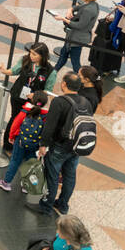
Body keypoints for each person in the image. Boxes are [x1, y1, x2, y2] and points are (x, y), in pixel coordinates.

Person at [33, 72, 88, 217]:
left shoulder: (59, 102)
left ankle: (46, 205)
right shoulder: (85, 101)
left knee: (52, 175)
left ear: (64, 84)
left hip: (60, 145)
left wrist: (43, 144)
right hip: (76, 145)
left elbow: (49, 126)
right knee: (70, 176)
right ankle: (63, 205)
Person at [0, 90, 47, 193]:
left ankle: (6, 183)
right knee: (30, 164)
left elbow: (15, 124)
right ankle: (26, 186)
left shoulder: (25, 111)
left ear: (32, 99)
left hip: (21, 141)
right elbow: (45, 131)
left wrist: (11, 136)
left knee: (15, 161)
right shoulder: (45, 115)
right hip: (35, 144)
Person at [56, 0, 101, 74]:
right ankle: (53, 72)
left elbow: (80, 25)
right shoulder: (93, 4)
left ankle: (81, 79)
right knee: (63, 55)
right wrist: (70, 9)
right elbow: (78, 7)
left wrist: (64, 19)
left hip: (77, 38)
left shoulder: (88, 10)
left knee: (75, 62)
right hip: (73, 37)